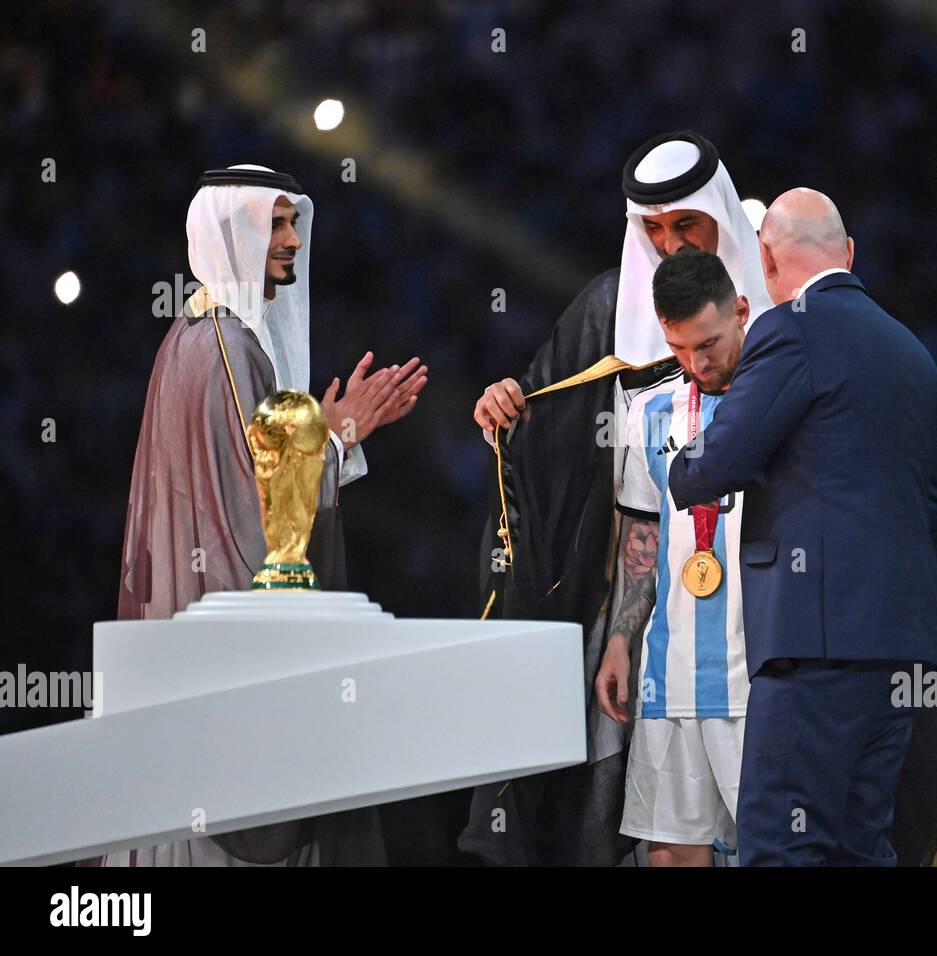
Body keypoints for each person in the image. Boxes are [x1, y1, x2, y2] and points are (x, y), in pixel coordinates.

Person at [456, 131, 774, 866]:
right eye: (652, 229)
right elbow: (549, 426)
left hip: (759, 616)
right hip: (640, 613)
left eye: (685, 226)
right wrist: (506, 408)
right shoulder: (608, 309)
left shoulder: (775, 320)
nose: (668, 244)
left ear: (719, 221)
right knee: (627, 820)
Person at [103, 164, 425, 866]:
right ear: (229, 230)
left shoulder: (191, 335)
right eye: (274, 224)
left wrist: (327, 434)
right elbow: (259, 522)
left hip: (185, 659)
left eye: (293, 222)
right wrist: (339, 439)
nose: (291, 240)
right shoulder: (229, 350)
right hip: (228, 675)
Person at [668, 188, 937, 865]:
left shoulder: (789, 328)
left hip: (816, 647)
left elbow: (716, 466)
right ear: (849, 252)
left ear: (766, 260)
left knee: (783, 848)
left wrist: (684, 456)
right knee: (861, 850)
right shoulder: (912, 351)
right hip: (899, 653)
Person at [595, 250, 751, 866]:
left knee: (782, 851)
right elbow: (643, 534)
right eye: (681, 348)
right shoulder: (651, 411)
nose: (697, 363)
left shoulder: (783, 403)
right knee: (671, 856)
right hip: (672, 675)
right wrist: (619, 640)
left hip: (759, 679)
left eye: (709, 343)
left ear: (741, 312)